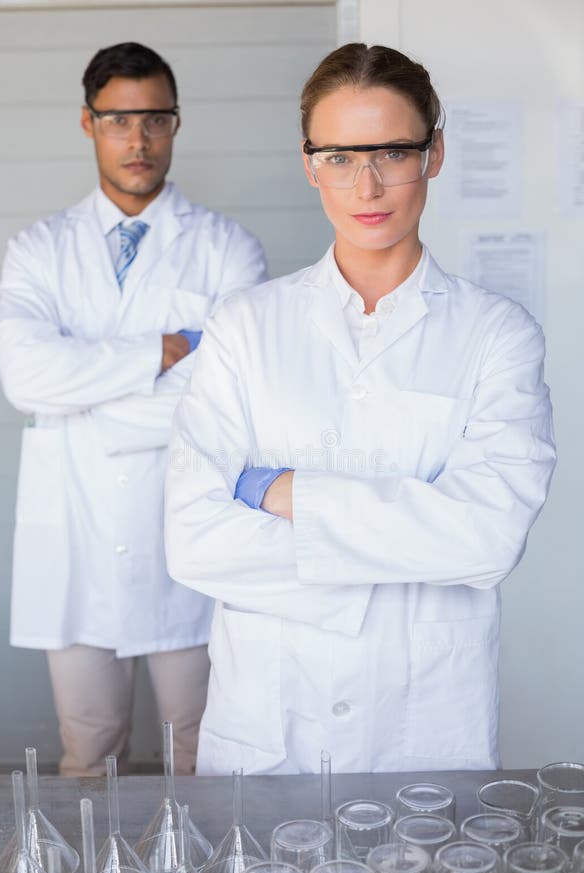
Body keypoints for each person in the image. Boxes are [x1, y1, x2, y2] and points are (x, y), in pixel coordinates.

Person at [164, 43, 556, 775]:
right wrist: (407, 545)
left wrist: (287, 493)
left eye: (393, 152)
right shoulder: (245, 326)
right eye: (340, 157)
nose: (367, 185)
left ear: (434, 154)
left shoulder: (497, 334)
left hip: (423, 729)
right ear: (309, 163)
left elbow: (487, 538)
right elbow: (194, 540)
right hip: (268, 726)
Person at [0, 42, 266, 776]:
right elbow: (25, 377)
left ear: (176, 123)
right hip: (73, 540)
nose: (138, 139)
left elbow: (228, 401)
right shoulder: (38, 250)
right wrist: (161, 349)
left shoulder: (227, 250)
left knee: (203, 746)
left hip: (186, 539)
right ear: (88, 123)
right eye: (118, 120)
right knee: (88, 747)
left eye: (154, 119)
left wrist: (80, 406)